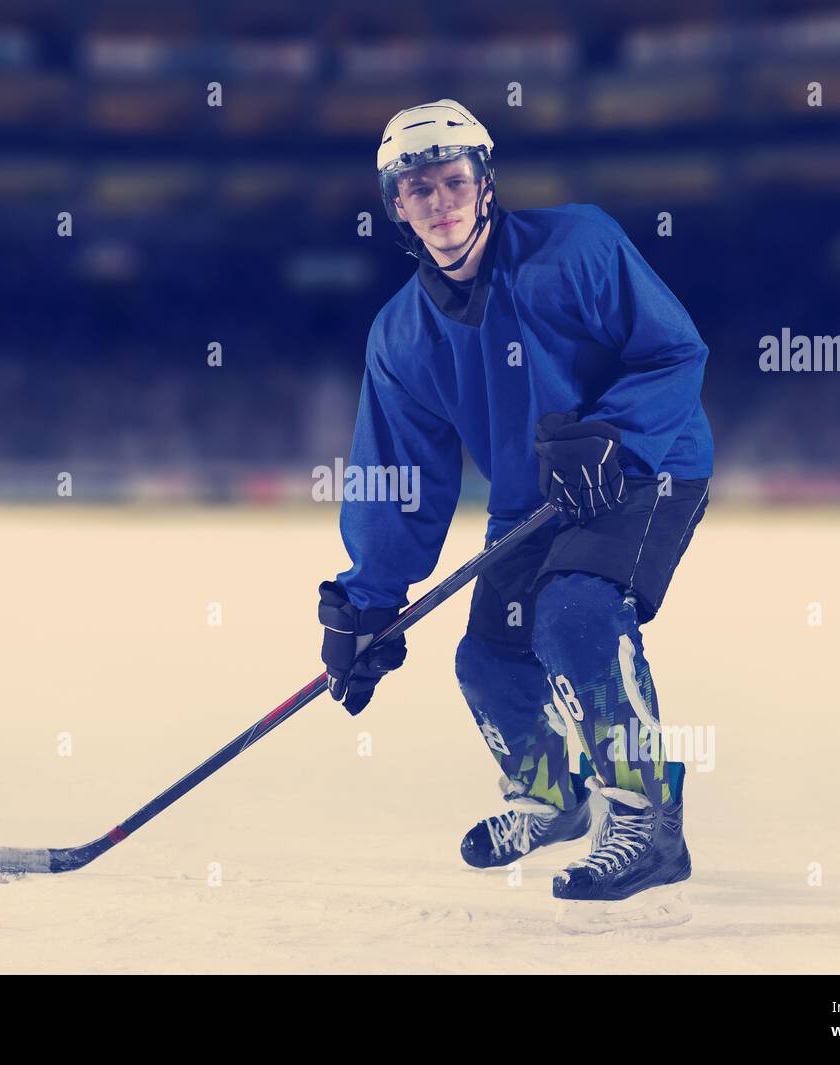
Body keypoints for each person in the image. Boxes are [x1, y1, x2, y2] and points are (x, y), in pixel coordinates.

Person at [317, 99, 712, 929]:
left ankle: (646, 818)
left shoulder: (580, 247)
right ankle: (553, 797)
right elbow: (401, 474)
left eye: (454, 180)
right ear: (396, 205)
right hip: (530, 502)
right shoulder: (400, 336)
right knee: (489, 664)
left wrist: (615, 436)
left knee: (575, 614)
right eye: (417, 188)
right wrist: (368, 602)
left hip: (646, 466)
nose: (440, 201)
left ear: (486, 184)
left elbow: (675, 350)